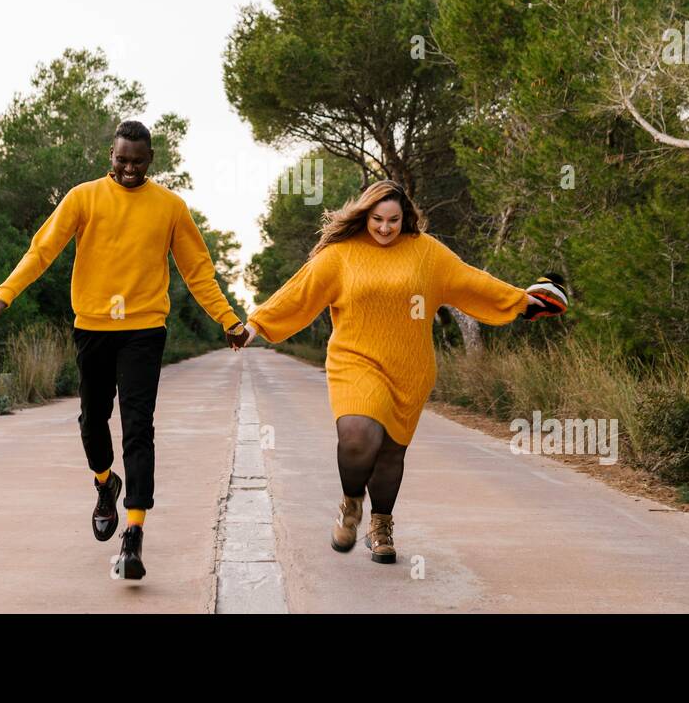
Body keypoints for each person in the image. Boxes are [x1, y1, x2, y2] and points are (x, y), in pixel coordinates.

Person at [0, 120, 250, 580]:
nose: (129, 168)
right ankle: (105, 484)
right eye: (122, 159)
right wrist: (5, 294)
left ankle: (134, 532)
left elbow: (198, 272)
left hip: (144, 330)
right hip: (93, 328)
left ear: (151, 160)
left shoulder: (170, 207)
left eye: (138, 162)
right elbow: (42, 250)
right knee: (92, 420)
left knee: (138, 428)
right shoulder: (83, 198)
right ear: (111, 154)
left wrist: (228, 318)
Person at [242, 180, 567, 564]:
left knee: (390, 453)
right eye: (377, 219)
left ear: (405, 217)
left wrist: (522, 301)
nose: (384, 228)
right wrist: (256, 324)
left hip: (410, 367)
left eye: (393, 220)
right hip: (354, 360)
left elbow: (470, 281)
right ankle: (350, 505)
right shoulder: (340, 255)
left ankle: (381, 526)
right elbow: (300, 291)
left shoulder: (426, 252)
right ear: (365, 215)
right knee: (358, 434)